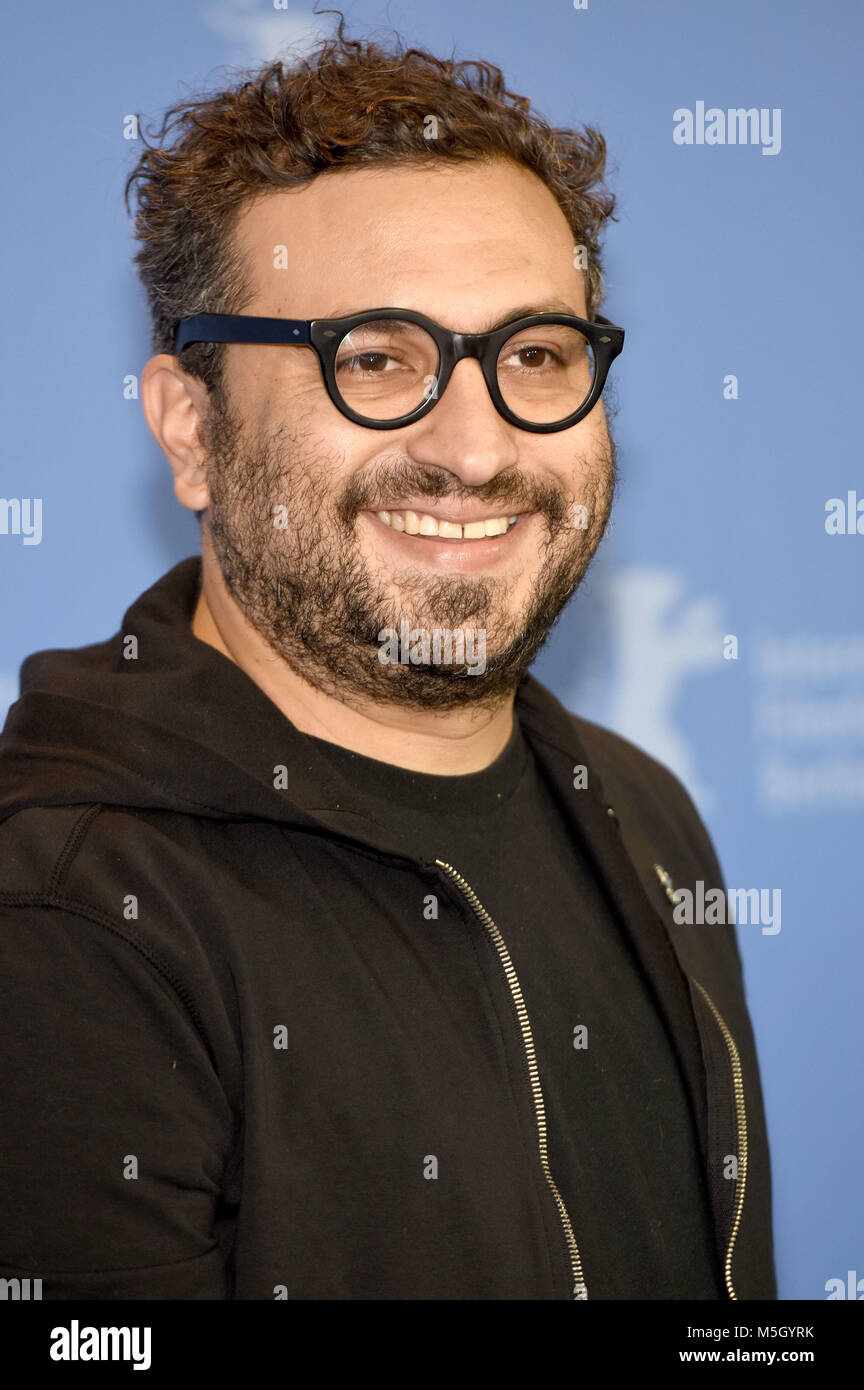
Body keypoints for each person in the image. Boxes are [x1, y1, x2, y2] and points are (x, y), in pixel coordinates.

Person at [0, 17, 775, 1300]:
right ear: (191, 427)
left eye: (534, 355)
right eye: (375, 359)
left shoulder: (642, 814)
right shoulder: (64, 924)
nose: (476, 448)